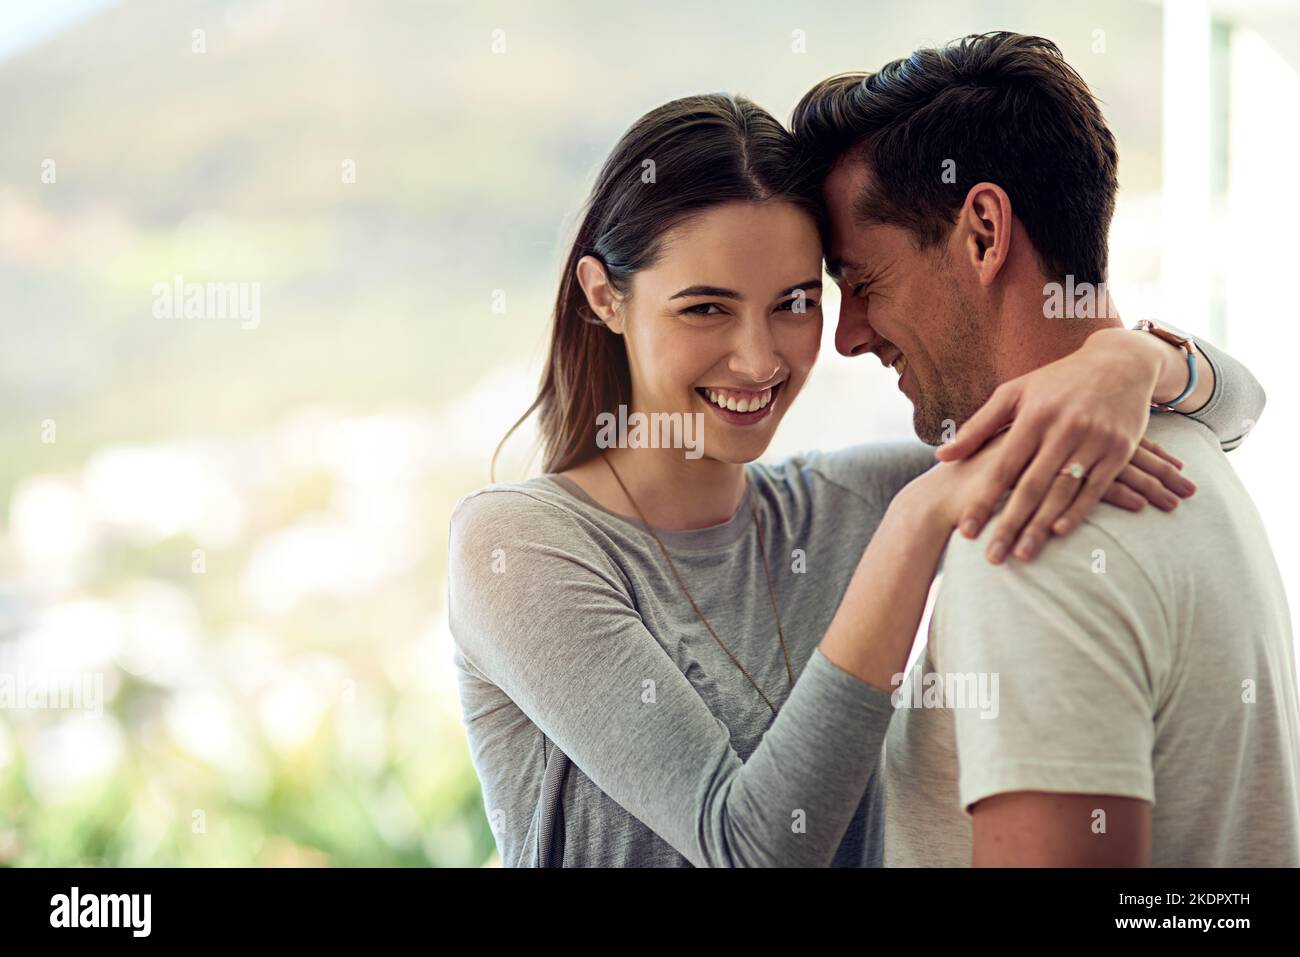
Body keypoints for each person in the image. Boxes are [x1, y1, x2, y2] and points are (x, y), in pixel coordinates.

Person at [448, 91, 1264, 867]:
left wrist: (1134, 357)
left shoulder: (846, 503)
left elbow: (1237, 414)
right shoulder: (517, 545)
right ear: (605, 296)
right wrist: (916, 525)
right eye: (706, 308)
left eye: (797, 301)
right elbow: (750, 846)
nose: (762, 358)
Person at [793, 30, 1298, 866]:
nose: (846, 337)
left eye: (864, 283)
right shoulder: (1189, 443)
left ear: (984, 232)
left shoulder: (1033, 534)